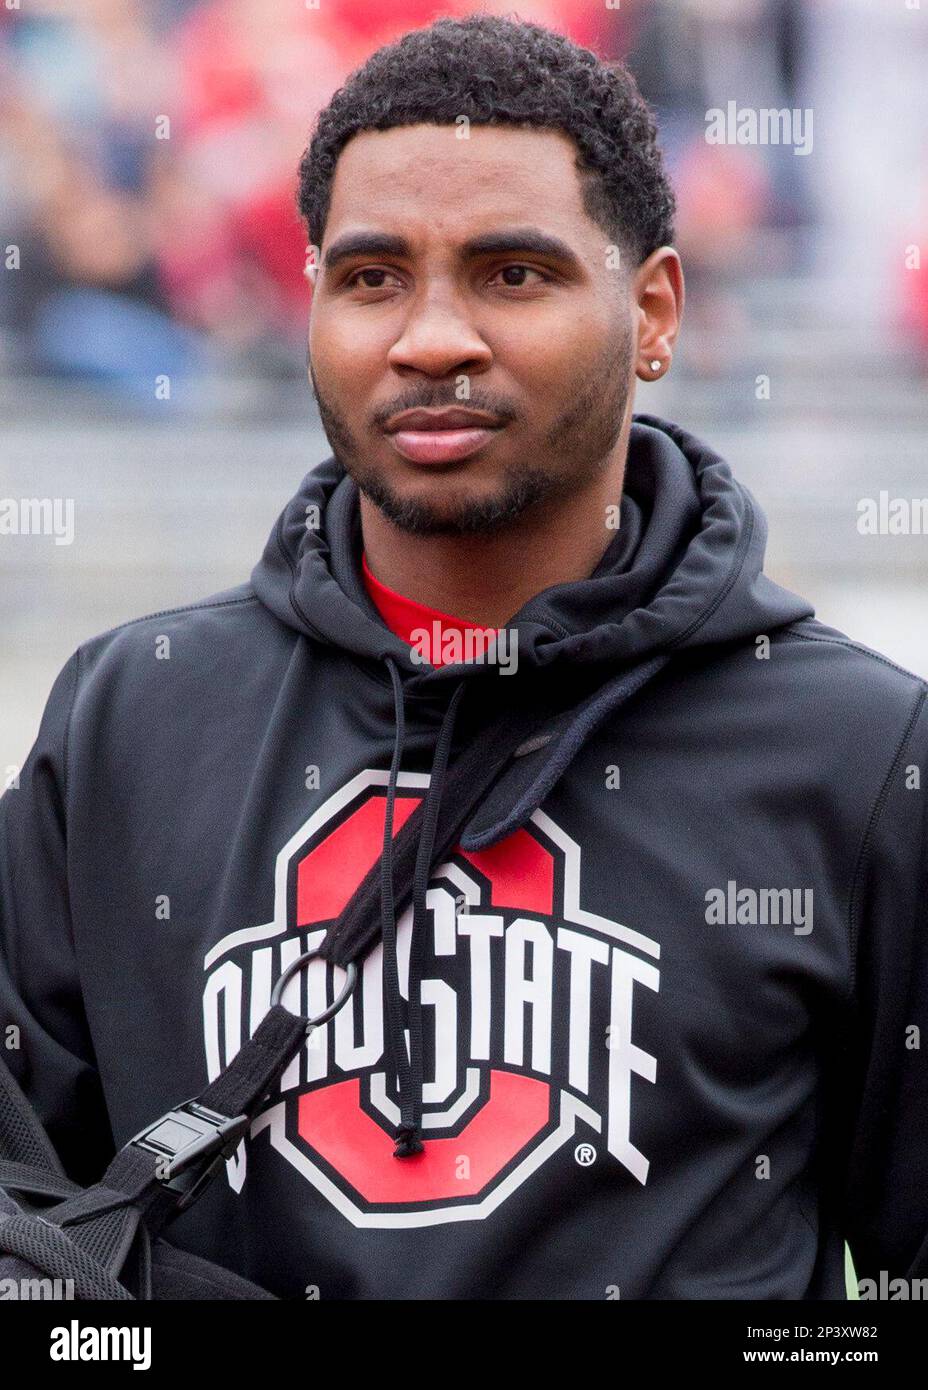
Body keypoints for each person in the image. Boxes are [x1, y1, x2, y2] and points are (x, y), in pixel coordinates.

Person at [1, 14, 925, 1300]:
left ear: (652, 309)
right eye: (373, 276)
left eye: (511, 274)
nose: (431, 338)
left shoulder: (858, 751)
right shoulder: (128, 716)